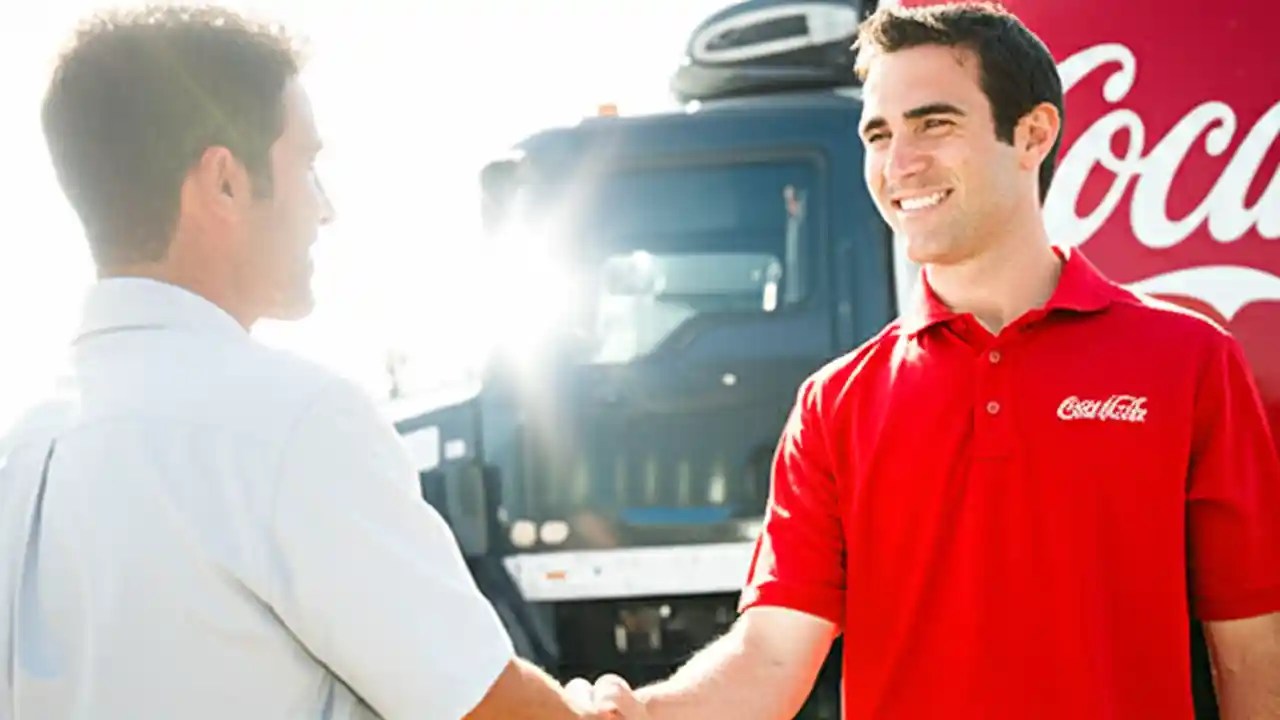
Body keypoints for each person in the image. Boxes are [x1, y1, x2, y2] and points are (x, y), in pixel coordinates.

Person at [568, 3, 1280, 718]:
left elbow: (1252, 648)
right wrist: (646, 713)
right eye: (879, 134)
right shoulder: (835, 403)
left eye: (934, 123)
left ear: (1032, 134)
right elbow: (772, 654)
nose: (899, 164)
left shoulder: (1188, 361)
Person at [0, 6, 604, 719]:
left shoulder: (22, 453)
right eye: (309, 165)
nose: (325, 210)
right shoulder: (295, 425)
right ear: (225, 181)